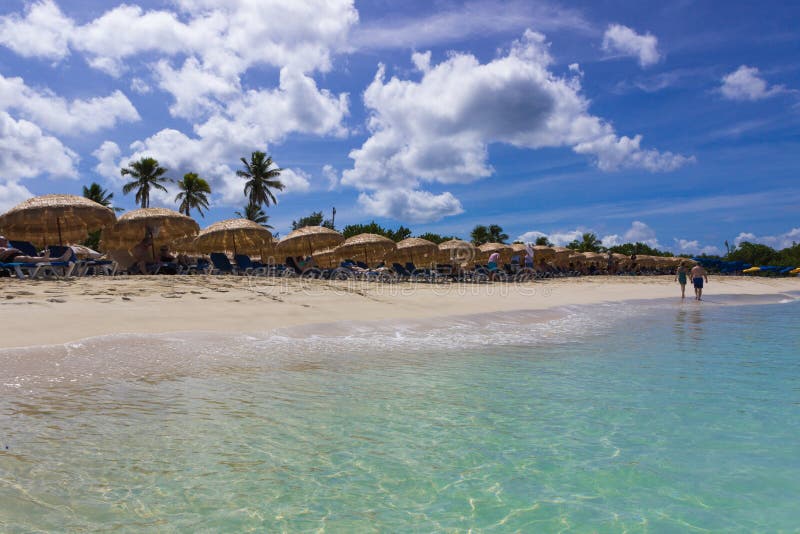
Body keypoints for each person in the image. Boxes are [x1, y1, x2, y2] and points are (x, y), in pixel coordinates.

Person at [0, 235, 72, 263]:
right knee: (27, 258)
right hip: (10, 259)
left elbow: (16, 250)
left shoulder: (9, 246)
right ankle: (45, 259)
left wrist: (9, 250)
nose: (6, 241)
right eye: (4, 240)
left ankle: (60, 259)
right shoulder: (2, 247)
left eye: (6, 240)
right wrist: (7, 251)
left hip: (15, 255)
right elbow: (2, 255)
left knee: (34, 258)